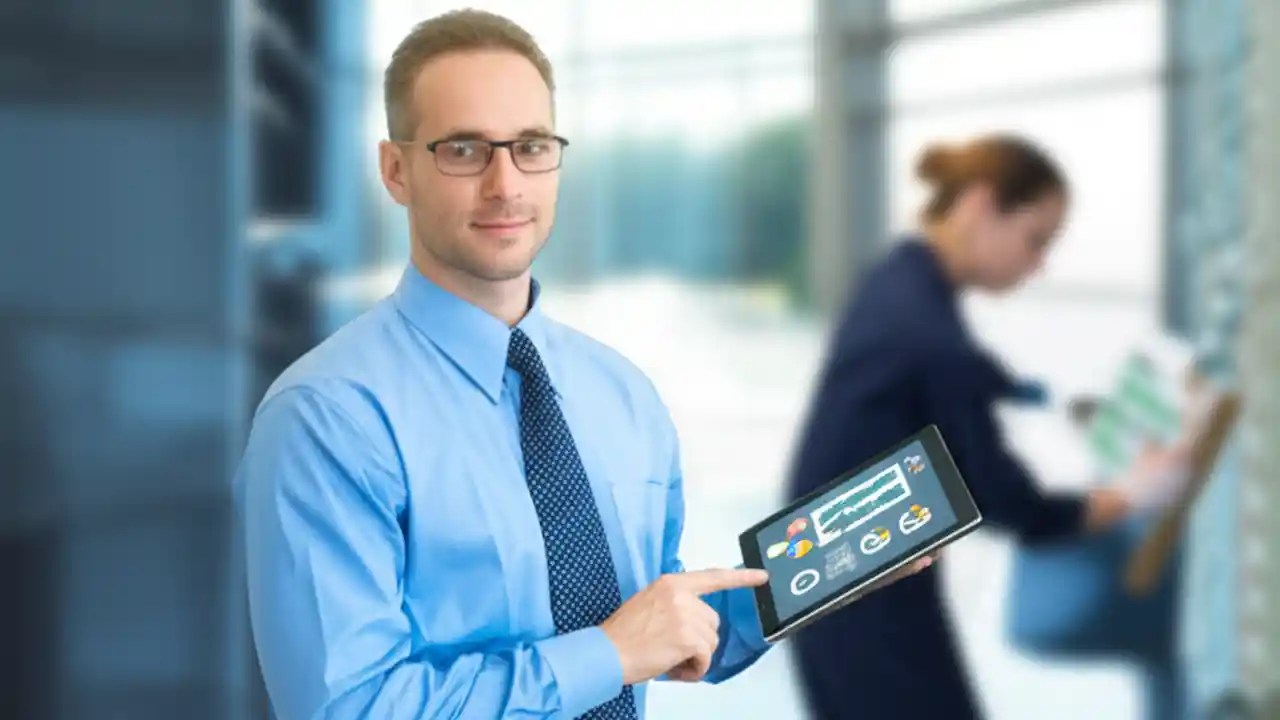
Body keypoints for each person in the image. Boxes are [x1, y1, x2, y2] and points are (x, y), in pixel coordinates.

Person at [236, 10, 926, 719]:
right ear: (396, 170)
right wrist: (610, 654)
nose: (505, 185)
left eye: (530, 146)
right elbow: (348, 709)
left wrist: (813, 578)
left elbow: (663, 626)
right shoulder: (326, 418)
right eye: (465, 150)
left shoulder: (621, 395)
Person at [785, 135, 1190, 720]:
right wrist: (1130, 496)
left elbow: (951, 376)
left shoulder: (899, 279)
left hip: (820, 564)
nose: (1039, 263)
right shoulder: (929, 334)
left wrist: (1037, 395)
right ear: (980, 205)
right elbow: (1003, 498)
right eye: (1035, 239)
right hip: (860, 585)